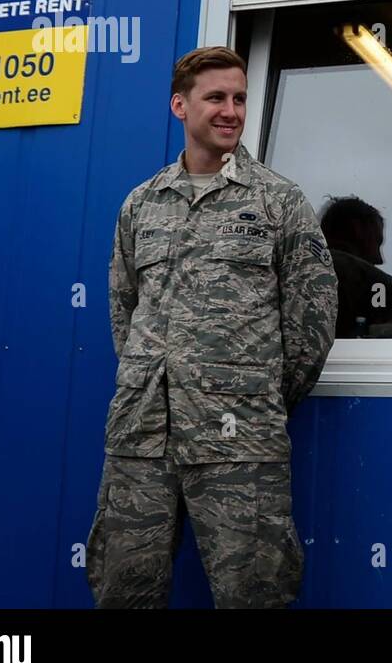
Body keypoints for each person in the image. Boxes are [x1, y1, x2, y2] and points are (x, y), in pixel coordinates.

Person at [86, 46, 338, 608]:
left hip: (239, 438)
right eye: (216, 98)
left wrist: (253, 395)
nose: (231, 110)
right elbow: (124, 309)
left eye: (240, 98)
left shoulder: (277, 201)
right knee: (123, 591)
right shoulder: (141, 204)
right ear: (180, 105)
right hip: (142, 436)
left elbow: (312, 318)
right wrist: (152, 381)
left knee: (254, 594)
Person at [319, 195, 392, 338]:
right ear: (358, 232)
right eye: (377, 242)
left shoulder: (287, 274)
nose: (380, 259)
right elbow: (389, 351)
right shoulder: (378, 285)